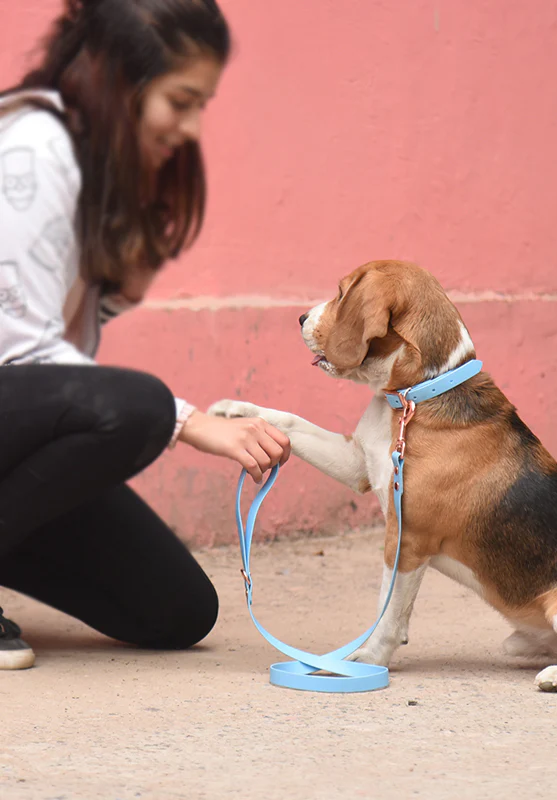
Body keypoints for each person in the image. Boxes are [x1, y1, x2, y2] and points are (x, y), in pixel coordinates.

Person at [0, 0, 291, 670]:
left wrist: (117, 288)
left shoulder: (91, 159)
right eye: (180, 101)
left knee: (175, 609)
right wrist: (188, 423)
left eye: (203, 106)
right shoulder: (33, 147)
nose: (191, 128)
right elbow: (20, 358)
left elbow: (41, 355)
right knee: (140, 409)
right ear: (119, 80)